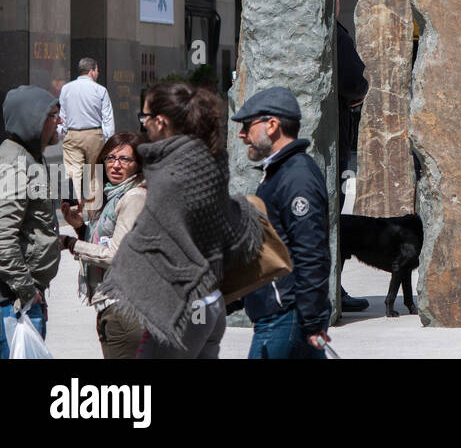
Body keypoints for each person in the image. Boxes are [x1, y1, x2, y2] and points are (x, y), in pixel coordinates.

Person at [101, 82, 263, 359]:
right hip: (210, 302)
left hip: (184, 307)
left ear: (161, 123)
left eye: (146, 118)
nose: (144, 126)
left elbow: (143, 248)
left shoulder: (169, 176)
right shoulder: (207, 161)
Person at [235, 87, 332, 359]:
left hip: (285, 317)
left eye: (247, 126)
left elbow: (311, 250)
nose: (243, 135)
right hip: (283, 315)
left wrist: (312, 319)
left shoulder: (296, 175)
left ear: (272, 125)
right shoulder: (281, 172)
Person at [60, 132, 147, 359]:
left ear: (138, 165)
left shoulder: (134, 197)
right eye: (110, 158)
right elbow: (105, 240)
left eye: (125, 159)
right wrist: (80, 227)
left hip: (126, 308)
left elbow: (114, 256)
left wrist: (71, 243)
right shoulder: (114, 196)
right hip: (112, 307)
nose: (116, 165)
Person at [0, 86, 60, 359]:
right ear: (32, 120)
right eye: (52, 115)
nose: (59, 121)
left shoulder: (31, 157)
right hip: (13, 300)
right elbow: (3, 237)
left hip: (25, 295)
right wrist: (26, 290)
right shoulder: (15, 163)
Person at [335, 0, 370, 313]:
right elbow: (354, 83)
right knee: (330, 213)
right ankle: (330, 286)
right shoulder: (337, 36)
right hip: (330, 142)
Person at [58, 57, 116, 207]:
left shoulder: (66, 88)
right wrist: (108, 140)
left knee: (72, 173)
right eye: (97, 70)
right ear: (91, 71)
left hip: (72, 134)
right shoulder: (100, 90)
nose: (98, 73)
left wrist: (61, 133)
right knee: (94, 176)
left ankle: (71, 209)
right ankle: (93, 213)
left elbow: (62, 115)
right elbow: (108, 119)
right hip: (94, 135)